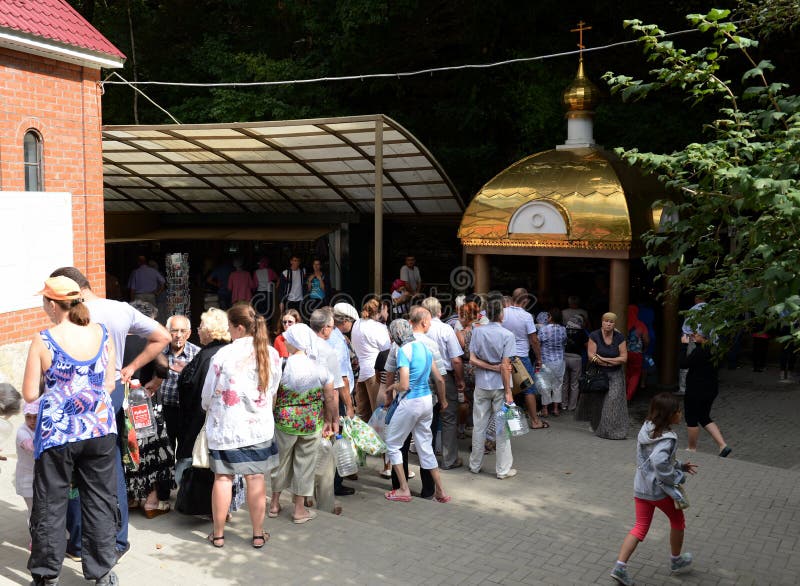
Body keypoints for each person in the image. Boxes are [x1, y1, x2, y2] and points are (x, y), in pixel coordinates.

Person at [50, 266, 171, 562]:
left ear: (71, 290)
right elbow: (163, 336)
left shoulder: (72, 313)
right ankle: (118, 538)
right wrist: (130, 367)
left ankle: (80, 541)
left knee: (80, 464)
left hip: (84, 394)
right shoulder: (120, 309)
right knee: (112, 461)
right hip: (115, 389)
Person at [22, 276, 119, 586]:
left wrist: (56, 386)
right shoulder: (102, 334)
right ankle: (102, 571)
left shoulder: (44, 339)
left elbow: (28, 394)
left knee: (51, 503)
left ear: (52, 304)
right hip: (100, 427)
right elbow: (109, 383)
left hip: (59, 433)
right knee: (100, 500)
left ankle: (47, 575)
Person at [201, 304, 282, 549]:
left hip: (226, 428)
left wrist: (209, 408)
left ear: (238, 328)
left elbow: (206, 396)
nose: (228, 332)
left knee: (223, 478)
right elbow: (273, 389)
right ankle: (258, 534)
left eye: (229, 327)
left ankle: (218, 535)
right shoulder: (271, 354)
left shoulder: (222, 356)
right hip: (258, 427)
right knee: (256, 478)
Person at [610, 393, 697, 586]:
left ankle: (620, 566)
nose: (681, 414)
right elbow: (659, 461)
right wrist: (676, 477)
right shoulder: (668, 439)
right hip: (659, 491)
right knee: (678, 520)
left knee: (640, 527)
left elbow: (656, 458)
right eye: (678, 411)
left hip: (641, 488)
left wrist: (680, 465)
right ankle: (676, 560)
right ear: (669, 415)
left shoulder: (647, 428)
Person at [269, 324, 338, 524]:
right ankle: (299, 510)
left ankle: (274, 504)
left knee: (279, 462)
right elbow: (330, 398)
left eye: (287, 339)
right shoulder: (320, 368)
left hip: (284, 422)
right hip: (311, 423)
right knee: (305, 464)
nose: (285, 342)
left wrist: (271, 416)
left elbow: (273, 396)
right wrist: (330, 420)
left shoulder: (282, 366)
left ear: (293, 343)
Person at [383, 319, 450, 503]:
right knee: (425, 447)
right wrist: (443, 400)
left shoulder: (403, 350)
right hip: (427, 401)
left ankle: (403, 489)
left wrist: (391, 387)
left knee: (393, 444)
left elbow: (404, 384)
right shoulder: (425, 348)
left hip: (409, 402)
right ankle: (441, 491)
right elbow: (439, 379)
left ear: (396, 334)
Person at [175, 308, 231, 486]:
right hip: (215, 419)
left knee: (198, 461)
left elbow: (200, 391)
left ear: (209, 330)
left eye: (200, 327)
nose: (198, 331)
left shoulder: (211, 355)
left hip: (201, 418)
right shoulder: (222, 351)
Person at [467, 294, 517, 479]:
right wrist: (509, 391)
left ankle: (475, 465)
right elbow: (505, 366)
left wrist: (489, 367)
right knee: (502, 428)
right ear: (501, 314)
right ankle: (503, 470)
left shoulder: (477, 331)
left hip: (481, 383)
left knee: (478, 426)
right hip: (500, 386)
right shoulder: (507, 335)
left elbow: (472, 359)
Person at [420, 296, 465, 469]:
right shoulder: (446, 329)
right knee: (449, 418)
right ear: (439, 311)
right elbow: (456, 360)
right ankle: (449, 459)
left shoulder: (420, 330)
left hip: (425, 376)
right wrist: (460, 380)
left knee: (428, 418)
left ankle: (427, 459)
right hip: (445, 377)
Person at [145, 315, 200, 455]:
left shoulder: (197, 354)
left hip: (186, 410)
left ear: (189, 333)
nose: (178, 335)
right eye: (174, 331)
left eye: (183, 331)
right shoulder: (157, 351)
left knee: (186, 452)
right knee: (163, 450)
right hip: (163, 410)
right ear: (167, 332)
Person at [577, 312, 629, 440]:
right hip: (598, 373)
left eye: (611, 322)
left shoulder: (619, 337)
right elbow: (591, 356)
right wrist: (610, 360)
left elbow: (624, 358)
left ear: (614, 324)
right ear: (602, 322)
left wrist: (605, 360)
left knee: (613, 401)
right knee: (597, 401)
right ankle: (598, 426)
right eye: (606, 321)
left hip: (615, 373)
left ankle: (611, 431)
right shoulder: (594, 335)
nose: (608, 324)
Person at [680, 329, 731, 457]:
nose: (692, 336)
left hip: (696, 389)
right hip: (711, 389)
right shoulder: (714, 349)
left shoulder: (699, 351)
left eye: (695, 334)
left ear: (703, 337)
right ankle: (722, 445)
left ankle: (692, 448)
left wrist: (684, 345)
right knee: (704, 416)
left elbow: (683, 364)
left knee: (691, 418)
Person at [502, 288, 547, 429]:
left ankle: (510, 423)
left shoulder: (502, 313)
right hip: (521, 356)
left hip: (504, 356)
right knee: (528, 389)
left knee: (507, 389)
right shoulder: (527, 316)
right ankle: (535, 421)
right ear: (526, 300)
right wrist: (539, 358)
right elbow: (534, 340)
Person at [351, 298, 392, 421]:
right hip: (375, 373)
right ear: (380, 311)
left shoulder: (357, 323)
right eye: (386, 310)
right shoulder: (379, 327)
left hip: (362, 372)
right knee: (378, 414)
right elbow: (387, 350)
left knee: (362, 414)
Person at [536, 311, 566, 417]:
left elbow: (538, 344)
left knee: (545, 385)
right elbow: (563, 343)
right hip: (559, 361)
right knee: (558, 385)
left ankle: (545, 409)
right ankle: (556, 409)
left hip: (546, 360)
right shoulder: (563, 329)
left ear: (550, 317)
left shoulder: (543, 329)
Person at [16, 399, 39, 516]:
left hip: (39, 479)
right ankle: (34, 534)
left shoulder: (41, 428)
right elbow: (31, 446)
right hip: (27, 479)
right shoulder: (22, 432)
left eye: (35, 417)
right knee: (33, 512)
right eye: (28, 417)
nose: (32, 421)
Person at [561, 315, 588, 412]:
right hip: (576, 358)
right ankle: (572, 406)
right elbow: (587, 345)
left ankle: (563, 404)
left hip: (564, 357)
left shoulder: (564, 330)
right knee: (574, 384)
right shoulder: (582, 332)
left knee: (564, 383)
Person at [626, 305, 650, 401]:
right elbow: (646, 340)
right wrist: (645, 349)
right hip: (636, 353)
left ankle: (623, 392)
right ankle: (628, 396)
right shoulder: (641, 324)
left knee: (625, 372)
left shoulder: (623, 323)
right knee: (635, 374)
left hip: (623, 352)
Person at [252, 257, 278, 321]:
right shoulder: (270, 271)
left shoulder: (256, 272)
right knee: (268, 309)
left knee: (260, 310)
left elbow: (255, 285)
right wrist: (276, 287)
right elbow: (277, 278)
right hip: (268, 293)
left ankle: (261, 325)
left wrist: (253, 292)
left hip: (259, 293)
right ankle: (268, 325)